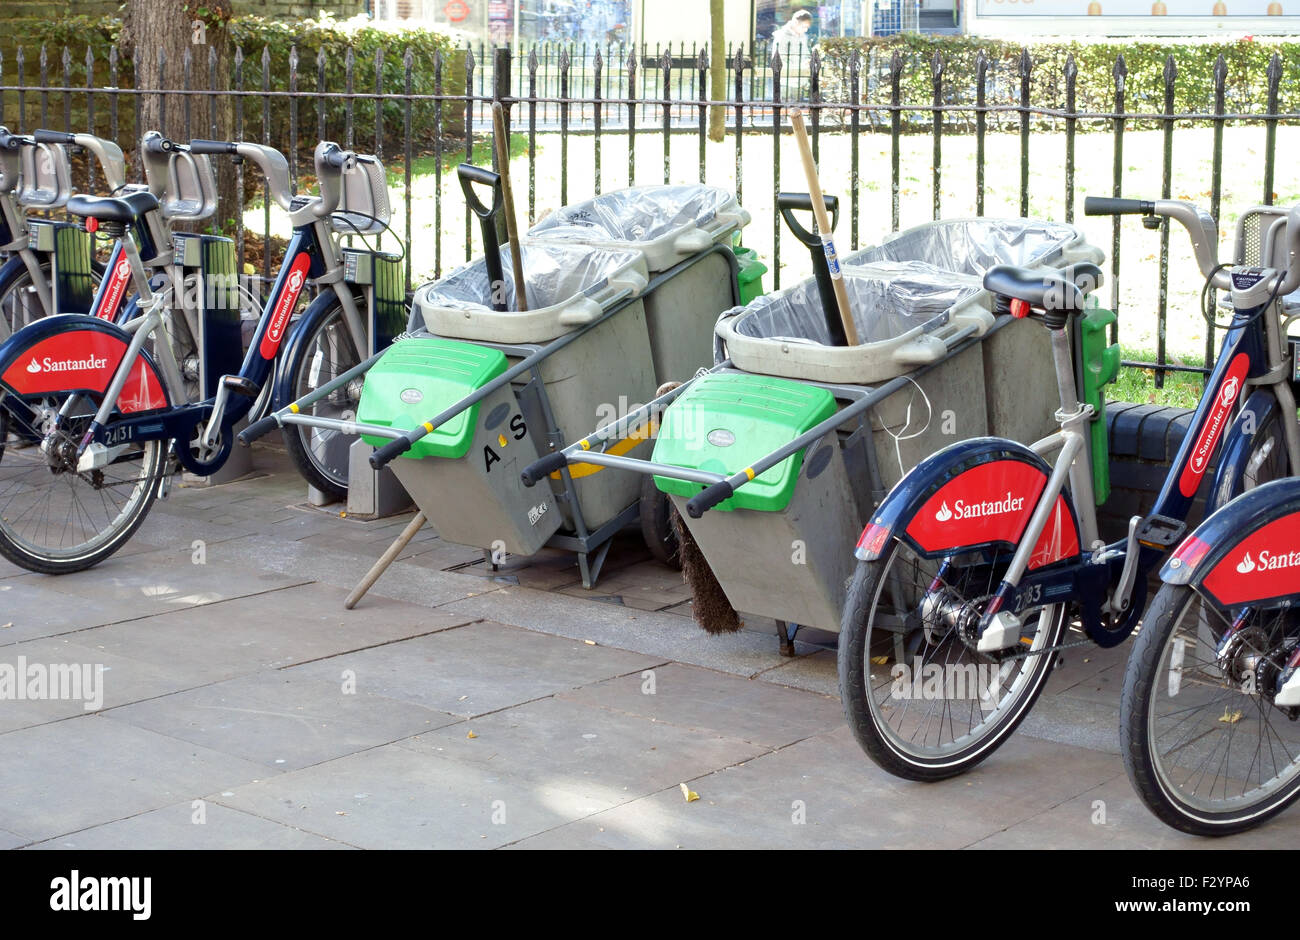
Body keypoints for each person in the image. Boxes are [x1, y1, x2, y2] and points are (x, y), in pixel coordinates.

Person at [768, 9, 814, 103]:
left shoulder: (803, 37)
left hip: (799, 80)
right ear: (796, 22)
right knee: (785, 108)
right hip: (785, 80)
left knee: (795, 110)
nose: (805, 29)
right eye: (804, 26)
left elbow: (805, 54)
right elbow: (778, 59)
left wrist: (807, 61)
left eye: (807, 27)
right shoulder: (782, 36)